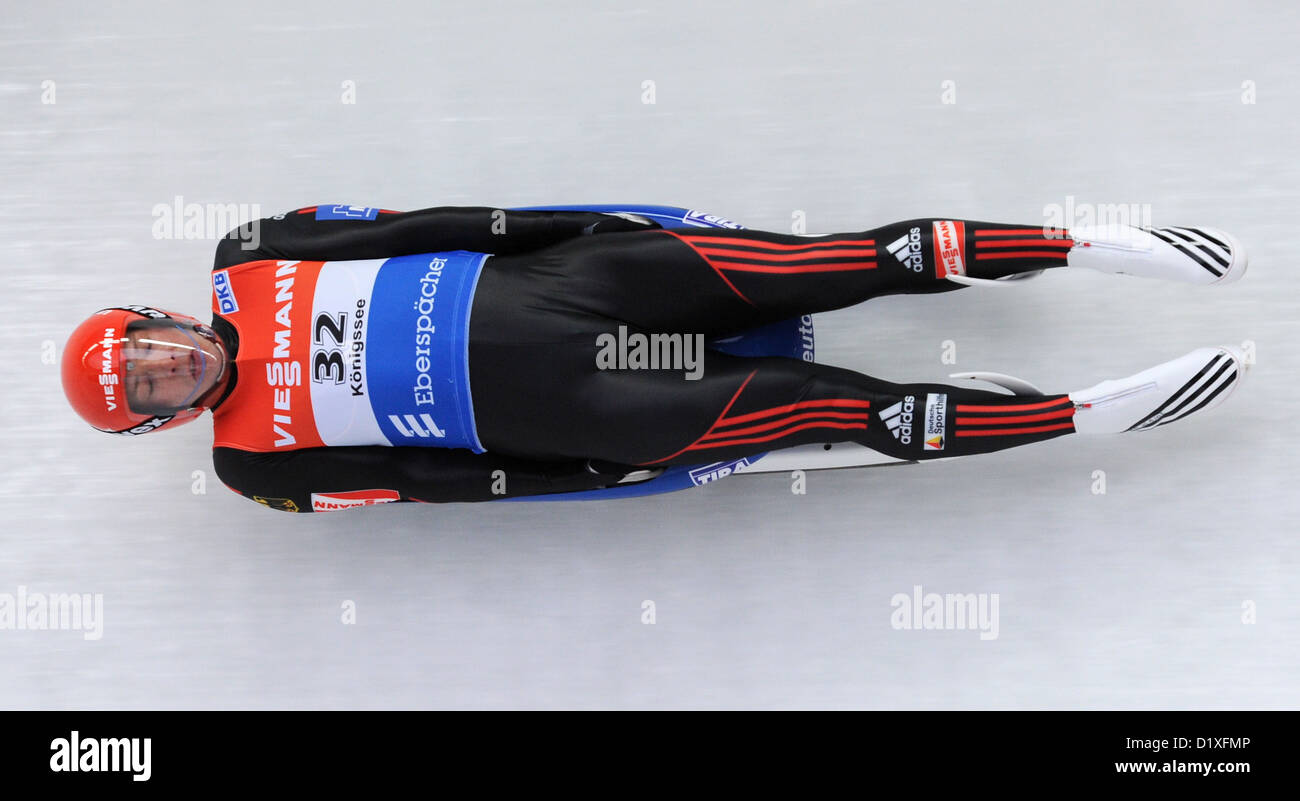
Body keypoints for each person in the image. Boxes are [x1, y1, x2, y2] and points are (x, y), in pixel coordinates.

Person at [61, 205, 1249, 512]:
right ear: (164, 419)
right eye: (156, 388)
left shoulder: (250, 257)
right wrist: (583, 477)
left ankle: (1089, 243)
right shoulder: (252, 464)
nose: (175, 368)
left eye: (155, 348)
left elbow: (418, 228)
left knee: (858, 255)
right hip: (593, 406)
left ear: (161, 315)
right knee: (857, 416)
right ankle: (1070, 420)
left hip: (582, 281)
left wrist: (585, 227)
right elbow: (426, 488)